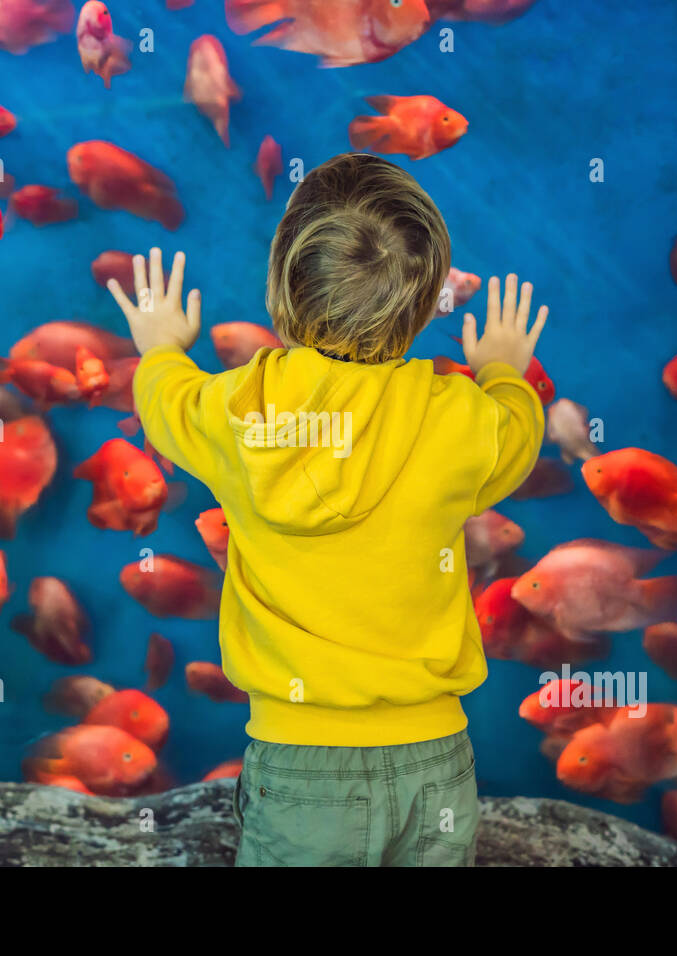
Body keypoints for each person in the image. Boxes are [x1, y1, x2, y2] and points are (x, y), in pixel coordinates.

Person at [106, 152, 548, 866]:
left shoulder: (238, 412)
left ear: (283, 283)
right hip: (433, 759)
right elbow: (518, 439)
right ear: (428, 300)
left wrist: (160, 350)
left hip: (299, 762)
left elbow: (165, 407)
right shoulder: (457, 420)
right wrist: (503, 368)